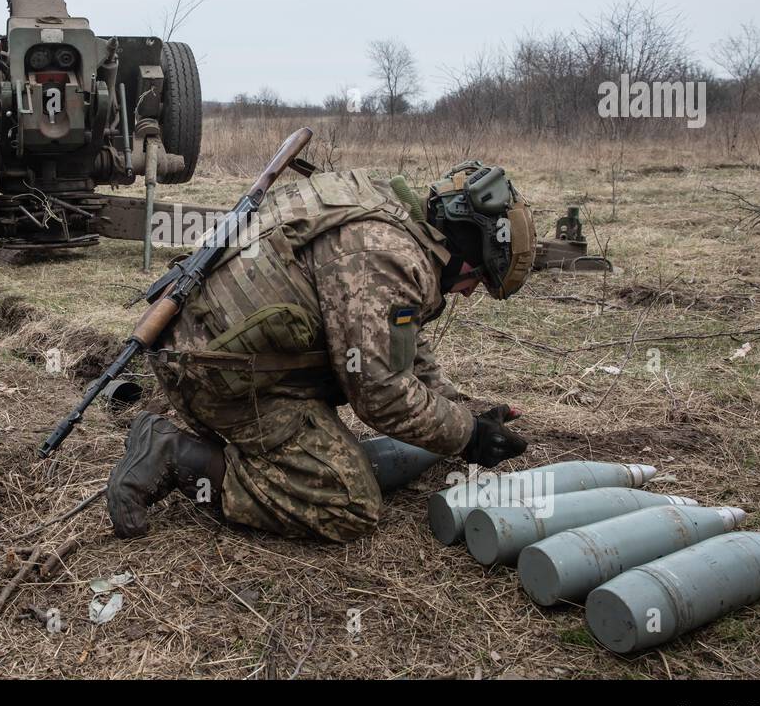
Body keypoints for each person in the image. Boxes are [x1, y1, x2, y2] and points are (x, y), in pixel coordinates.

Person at [107, 161, 536, 543]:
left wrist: (461, 411)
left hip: (204, 344)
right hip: (219, 379)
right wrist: (469, 437)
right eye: (477, 279)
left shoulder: (382, 205)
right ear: (465, 248)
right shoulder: (386, 255)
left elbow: (397, 338)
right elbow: (381, 394)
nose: (468, 292)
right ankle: (174, 454)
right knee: (349, 504)